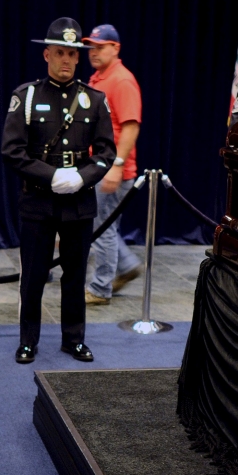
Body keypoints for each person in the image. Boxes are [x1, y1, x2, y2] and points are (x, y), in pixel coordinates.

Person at [2, 17, 116, 364]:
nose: (66, 60)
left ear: (79, 58)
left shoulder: (93, 99)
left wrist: (84, 177)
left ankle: (73, 338)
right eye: (59, 53)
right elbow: (12, 151)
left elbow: (107, 152)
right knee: (34, 275)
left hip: (78, 202)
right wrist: (50, 175)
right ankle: (28, 340)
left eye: (72, 54)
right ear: (47, 55)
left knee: (75, 274)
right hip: (38, 199)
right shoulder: (27, 96)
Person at [81, 24, 143, 306]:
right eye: (91, 47)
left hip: (111, 168)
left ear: (115, 48)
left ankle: (99, 288)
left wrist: (117, 165)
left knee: (102, 229)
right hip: (99, 166)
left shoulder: (121, 81)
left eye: (99, 46)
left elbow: (130, 126)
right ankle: (127, 265)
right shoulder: (99, 79)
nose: (93, 52)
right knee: (105, 226)